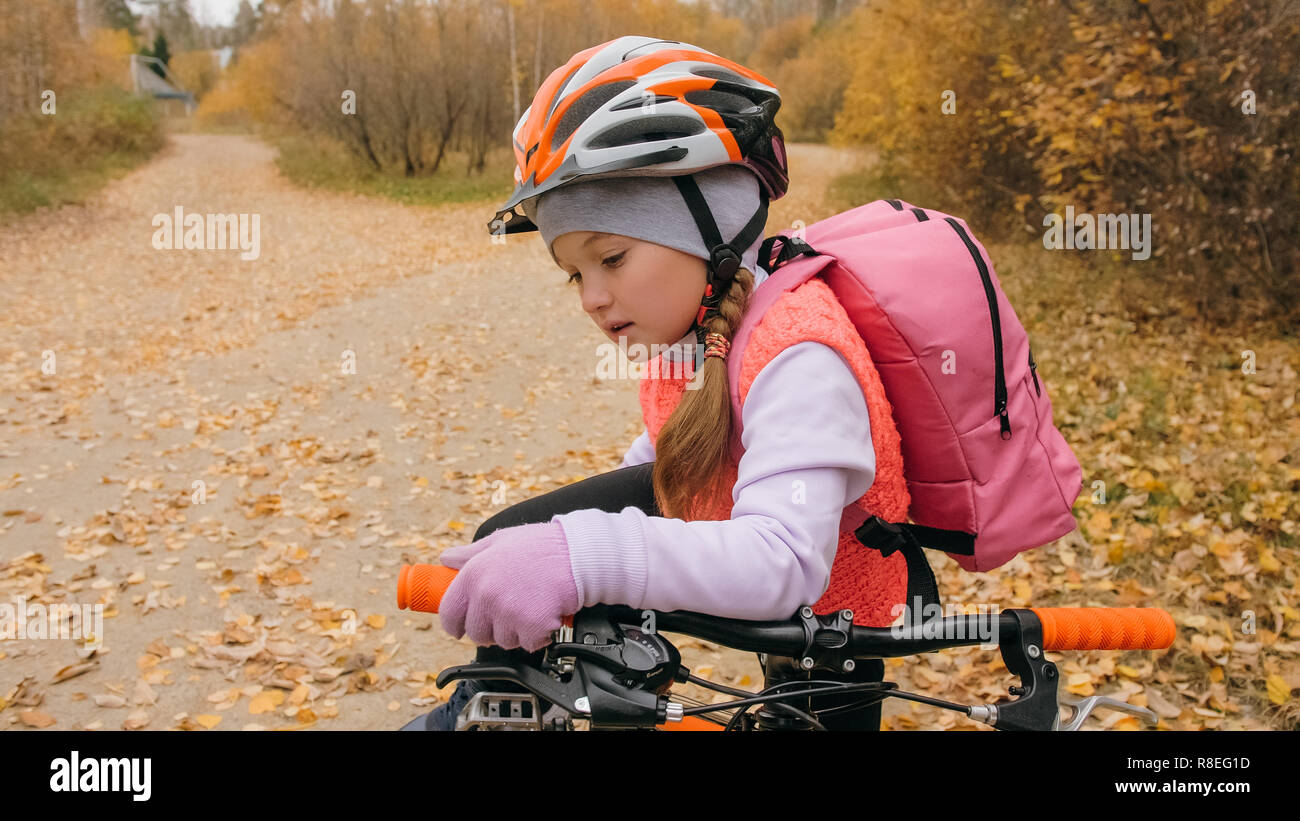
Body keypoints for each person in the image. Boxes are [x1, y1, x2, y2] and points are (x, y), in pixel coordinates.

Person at [415, 35, 910, 732]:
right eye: (575, 273)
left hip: (833, 647)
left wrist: (583, 555)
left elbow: (784, 562)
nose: (591, 296)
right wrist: (551, 542)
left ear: (711, 229)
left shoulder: (801, 350)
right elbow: (662, 468)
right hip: (786, 635)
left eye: (611, 256)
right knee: (517, 533)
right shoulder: (698, 334)